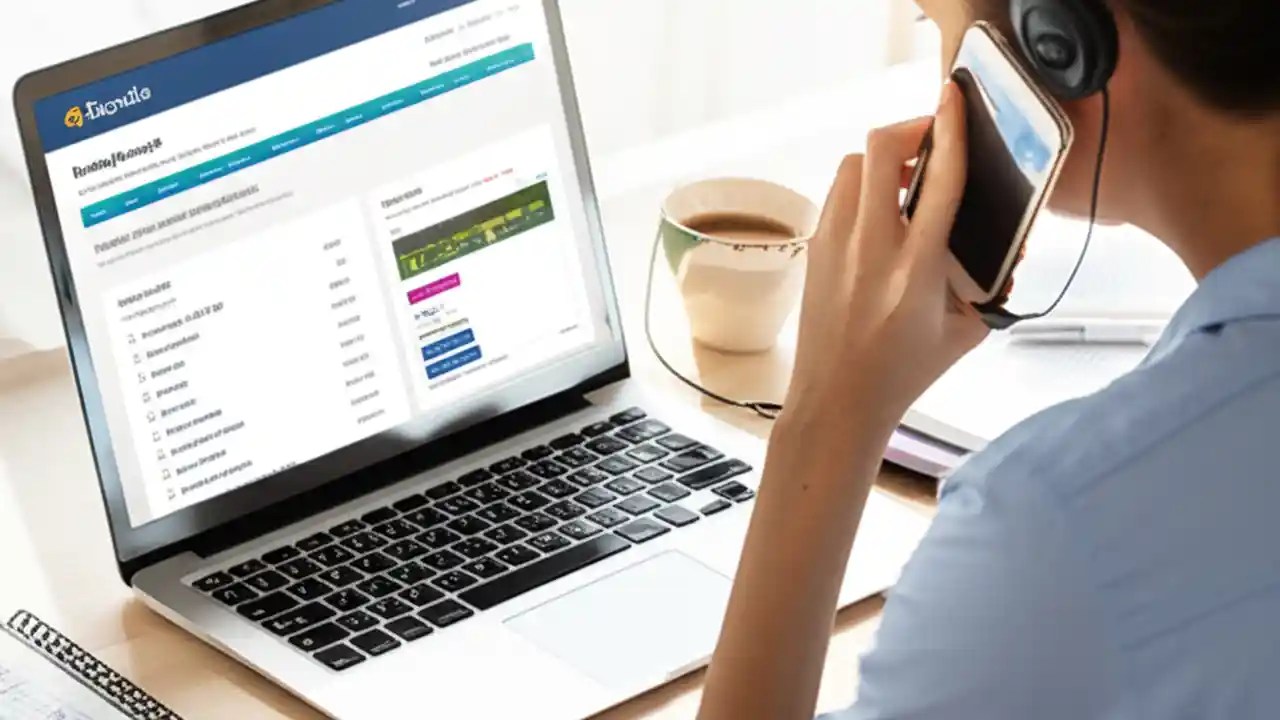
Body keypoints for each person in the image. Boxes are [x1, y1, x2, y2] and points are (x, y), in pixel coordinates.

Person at [696, 0, 1280, 718]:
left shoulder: (1055, 530)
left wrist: (828, 418)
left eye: (935, 29)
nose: (942, 84)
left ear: (1064, 40)